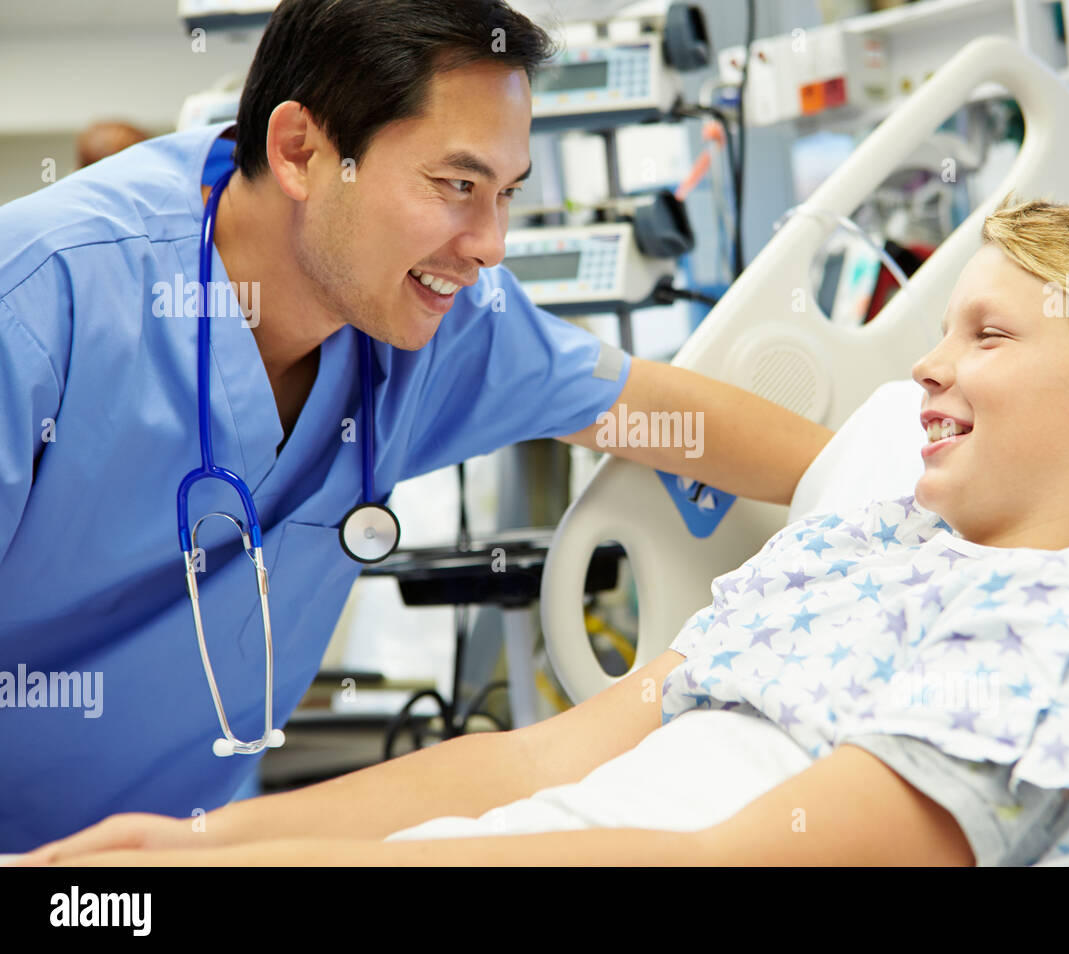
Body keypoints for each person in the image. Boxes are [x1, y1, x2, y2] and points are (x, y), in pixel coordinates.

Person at [20, 196, 1069, 866]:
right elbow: (537, 763)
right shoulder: (854, 548)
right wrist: (210, 839)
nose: (922, 372)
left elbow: (741, 863)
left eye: (987, 336)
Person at [0, 0, 835, 853]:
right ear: (302, 152)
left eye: (506, 195)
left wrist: (884, 500)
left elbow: (661, 415)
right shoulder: (40, 303)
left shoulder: (438, 323)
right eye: (457, 186)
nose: (491, 245)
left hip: (188, 845)